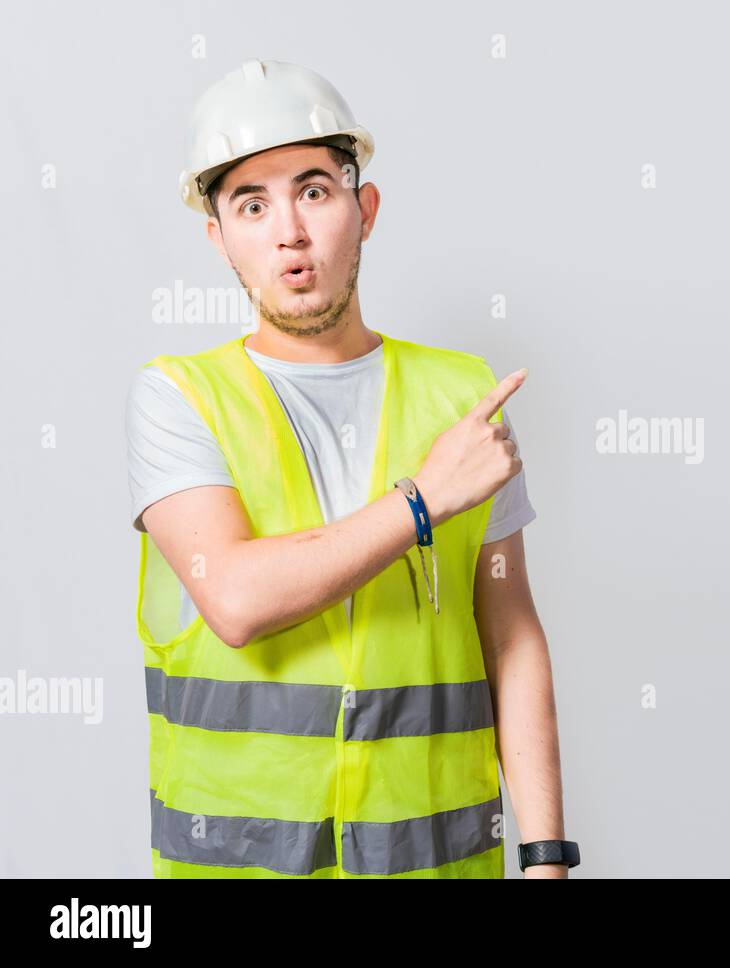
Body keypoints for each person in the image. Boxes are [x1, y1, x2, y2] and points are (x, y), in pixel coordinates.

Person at [124, 58, 578, 878]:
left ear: (364, 210)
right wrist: (423, 501)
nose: (288, 231)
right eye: (251, 205)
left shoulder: (463, 398)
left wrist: (546, 855)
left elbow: (510, 634)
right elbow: (235, 599)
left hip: (435, 865)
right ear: (218, 237)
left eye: (314, 191)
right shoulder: (179, 398)